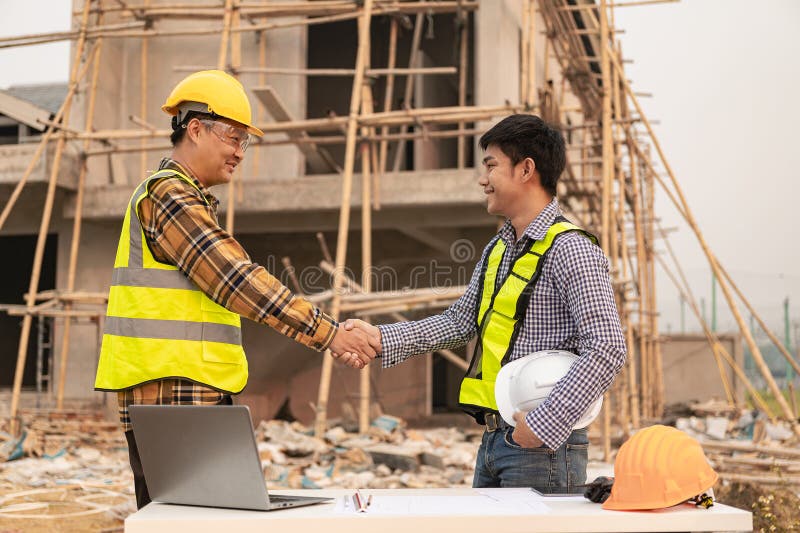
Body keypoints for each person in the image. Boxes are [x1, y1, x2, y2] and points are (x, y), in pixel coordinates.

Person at [94, 70, 377, 509]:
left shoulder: (185, 199)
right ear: (195, 129)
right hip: (174, 399)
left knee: (212, 518)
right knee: (190, 521)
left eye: (245, 142)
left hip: (188, 396)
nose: (239, 153)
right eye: (233, 138)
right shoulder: (169, 196)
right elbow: (235, 280)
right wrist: (330, 334)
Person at [336, 114, 627, 492]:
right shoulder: (498, 248)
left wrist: (545, 423)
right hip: (494, 439)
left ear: (526, 170)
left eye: (491, 166)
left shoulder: (571, 249)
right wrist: (379, 338)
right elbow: (460, 322)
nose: (482, 179)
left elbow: (607, 347)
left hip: (543, 447)